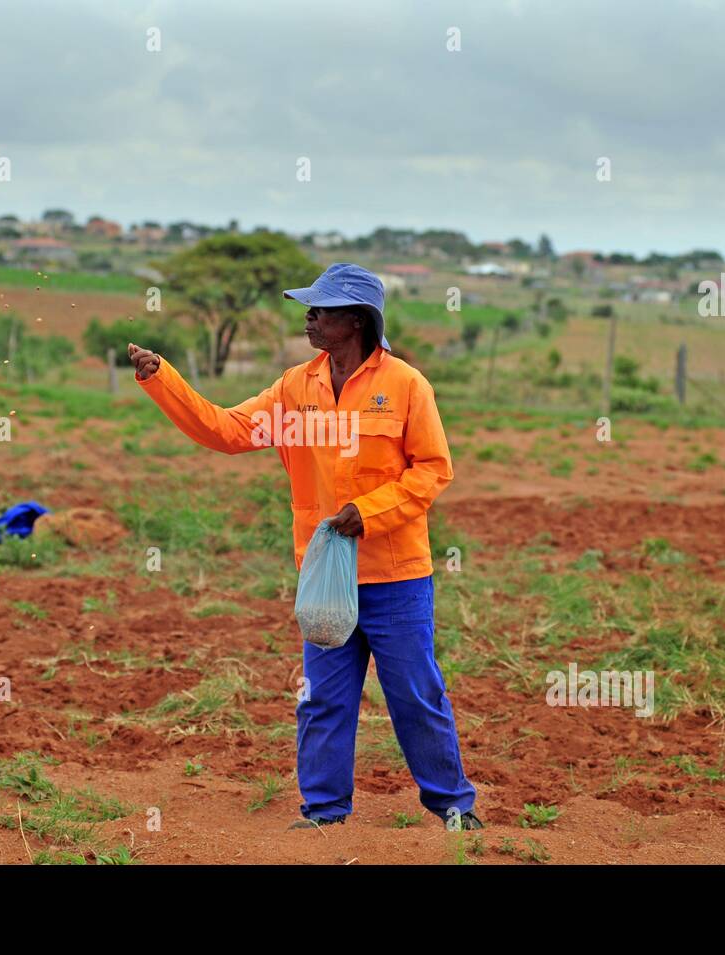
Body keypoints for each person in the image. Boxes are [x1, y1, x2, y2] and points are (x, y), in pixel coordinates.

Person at [128, 262, 480, 830]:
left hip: (396, 576)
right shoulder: (297, 387)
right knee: (322, 699)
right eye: (310, 307)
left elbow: (433, 471)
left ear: (358, 320)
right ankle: (324, 813)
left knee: (416, 697)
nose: (310, 317)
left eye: (323, 308)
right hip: (324, 576)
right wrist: (160, 378)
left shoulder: (407, 385)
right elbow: (226, 430)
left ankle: (452, 808)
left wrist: (366, 514)